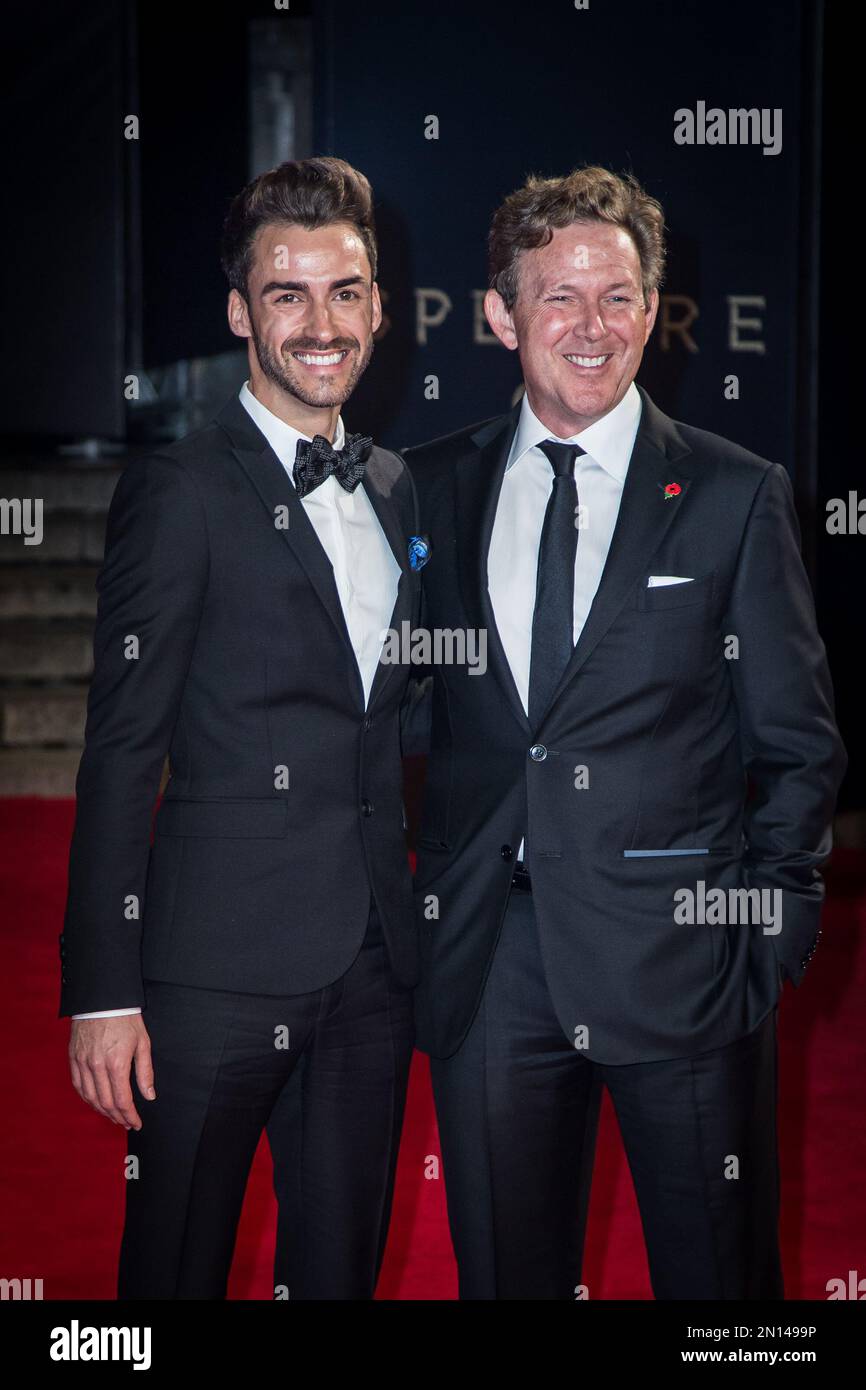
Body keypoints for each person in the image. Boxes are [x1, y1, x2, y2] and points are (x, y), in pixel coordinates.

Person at [401, 165, 847, 1299]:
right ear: (501, 315)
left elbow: (796, 746)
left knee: (720, 1293)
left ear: (652, 310)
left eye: (616, 296)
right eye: (557, 297)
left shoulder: (733, 494)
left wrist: (766, 940)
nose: (589, 327)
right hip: (492, 966)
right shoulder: (428, 489)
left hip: (683, 965)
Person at [60, 156, 420, 1300]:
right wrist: (102, 989)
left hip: (368, 966)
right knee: (170, 1273)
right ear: (238, 311)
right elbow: (120, 746)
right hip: (208, 974)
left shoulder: (396, 485)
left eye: (344, 291)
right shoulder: (180, 491)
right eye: (286, 292)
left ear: (376, 302)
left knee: (338, 1272)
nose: (321, 323)